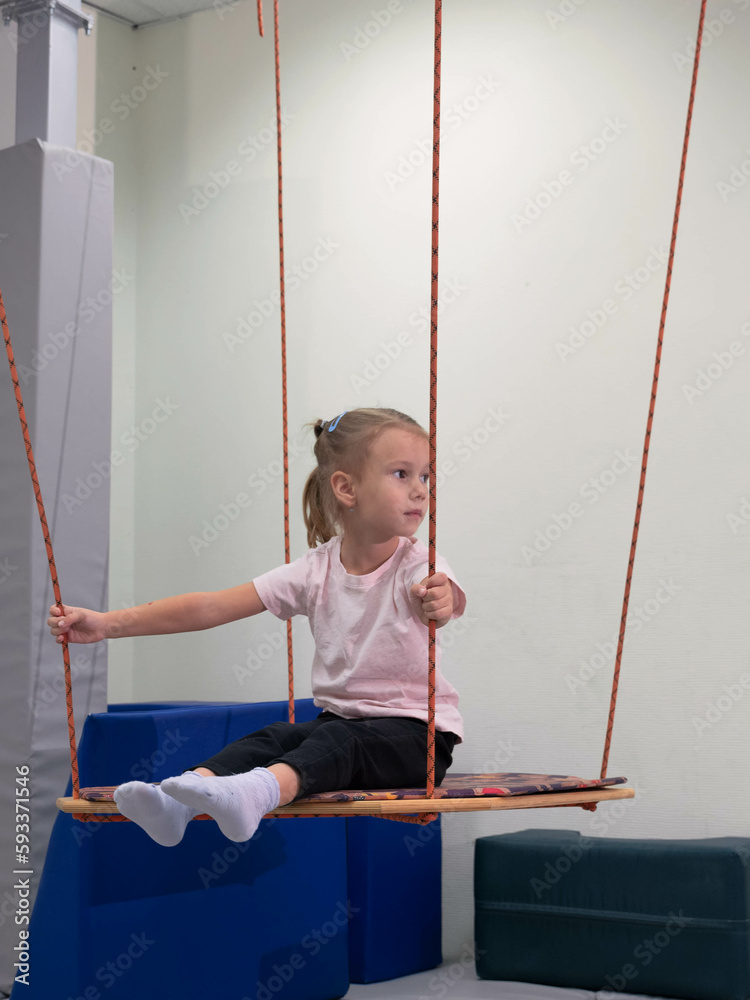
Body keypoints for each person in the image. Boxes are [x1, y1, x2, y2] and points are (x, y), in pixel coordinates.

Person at [47, 407, 466, 847]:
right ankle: (180, 801)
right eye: (402, 474)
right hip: (340, 723)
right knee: (276, 735)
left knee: (339, 741)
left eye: (425, 477)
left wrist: (441, 598)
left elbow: (443, 595)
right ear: (347, 488)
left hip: (418, 740)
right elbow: (209, 607)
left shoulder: (418, 562)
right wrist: (105, 625)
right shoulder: (315, 569)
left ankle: (260, 792)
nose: (420, 491)